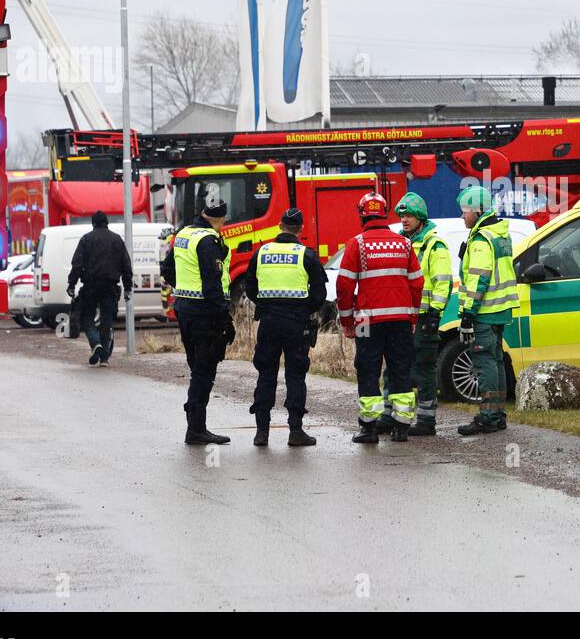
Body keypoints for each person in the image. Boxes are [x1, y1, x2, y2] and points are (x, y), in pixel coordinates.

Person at [336, 192, 423, 444]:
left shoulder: (357, 244)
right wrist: (413, 316)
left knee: (368, 370)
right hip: (400, 320)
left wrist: (347, 321)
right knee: (401, 369)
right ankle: (402, 427)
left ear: (361, 214)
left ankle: (369, 428)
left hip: (366, 322)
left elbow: (344, 287)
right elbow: (417, 283)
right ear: (385, 213)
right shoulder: (404, 244)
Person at [243, 208, 326, 447]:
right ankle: (295, 431)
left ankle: (262, 433)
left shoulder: (261, 253)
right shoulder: (306, 255)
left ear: (279, 226)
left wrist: (267, 304)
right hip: (296, 324)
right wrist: (303, 309)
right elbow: (319, 294)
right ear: (300, 229)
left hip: (268, 322)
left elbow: (250, 287)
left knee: (266, 375)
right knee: (295, 375)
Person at [162, 198, 235, 445]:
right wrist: (225, 319)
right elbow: (212, 285)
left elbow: (167, 269)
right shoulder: (208, 241)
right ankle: (196, 429)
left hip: (184, 310)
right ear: (220, 219)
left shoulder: (183, 234)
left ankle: (196, 424)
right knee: (204, 371)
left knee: (197, 367)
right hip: (205, 313)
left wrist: (182, 288)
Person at [454, 185, 518, 435]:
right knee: (496, 361)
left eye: (465, 211)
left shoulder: (481, 239)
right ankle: (498, 414)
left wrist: (468, 314)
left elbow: (479, 278)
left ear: (478, 210)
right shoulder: (499, 233)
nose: (462, 216)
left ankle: (489, 416)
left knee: (484, 363)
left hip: (484, 311)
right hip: (499, 310)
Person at [391, 192, 451, 436]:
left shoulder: (434, 245)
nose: (404, 220)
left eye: (409, 216)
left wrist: (435, 314)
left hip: (424, 317)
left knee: (424, 369)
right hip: (402, 317)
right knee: (397, 368)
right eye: (402, 215)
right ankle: (393, 417)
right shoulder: (399, 243)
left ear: (421, 218)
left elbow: (442, 281)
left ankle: (426, 421)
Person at [66, 211, 132, 368]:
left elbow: (77, 264)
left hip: (90, 286)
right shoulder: (117, 240)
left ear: (93, 223)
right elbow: (126, 266)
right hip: (110, 286)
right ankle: (104, 359)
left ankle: (96, 344)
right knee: (107, 320)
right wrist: (128, 288)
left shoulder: (86, 240)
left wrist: (71, 285)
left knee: (87, 318)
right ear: (107, 222)